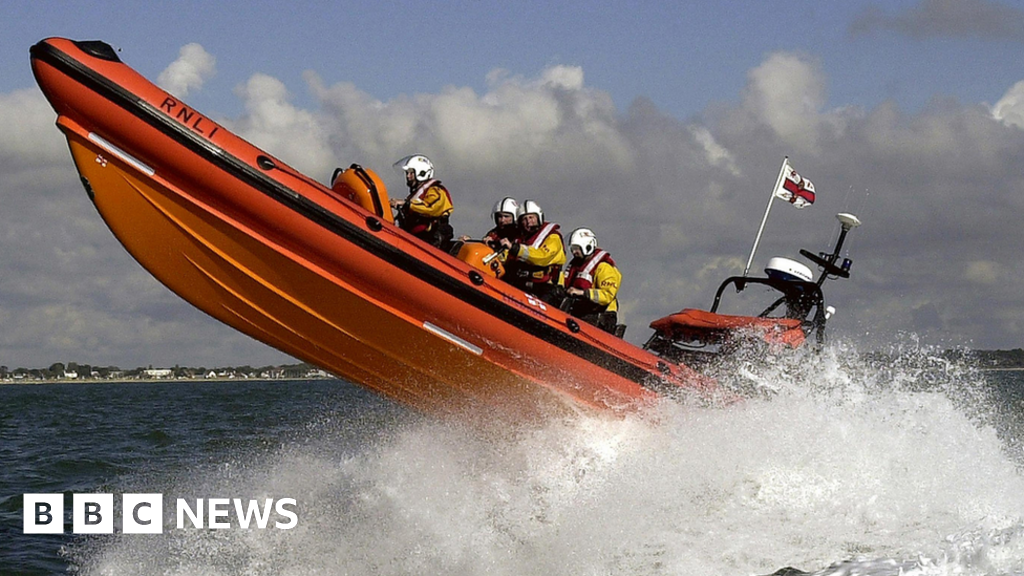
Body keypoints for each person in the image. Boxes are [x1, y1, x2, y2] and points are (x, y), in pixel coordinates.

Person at [499, 200, 566, 304]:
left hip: (547, 287)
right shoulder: (520, 238)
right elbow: (507, 257)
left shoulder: (553, 237)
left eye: (531, 218)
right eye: (524, 219)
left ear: (538, 217)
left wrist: (516, 249)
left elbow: (543, 257)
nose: (528, 222)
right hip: (523, 282)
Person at [562, 227, 622, 334]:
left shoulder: (604, 267)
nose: (574, 252)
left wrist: (582, 293)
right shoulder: (576, 266)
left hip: (601, 315)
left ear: (587, 247)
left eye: (577, 248)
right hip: (582, 310)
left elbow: (607, 295)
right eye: (573, 248)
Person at [389, 154, 454, 249]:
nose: (408, 176)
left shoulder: (435, 190)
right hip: (414, 239)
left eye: (411, 173)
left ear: (422, 173)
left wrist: (406, 204)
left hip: (429, 239)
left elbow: (431, 208)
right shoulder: (414, 196)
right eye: (407, 173)